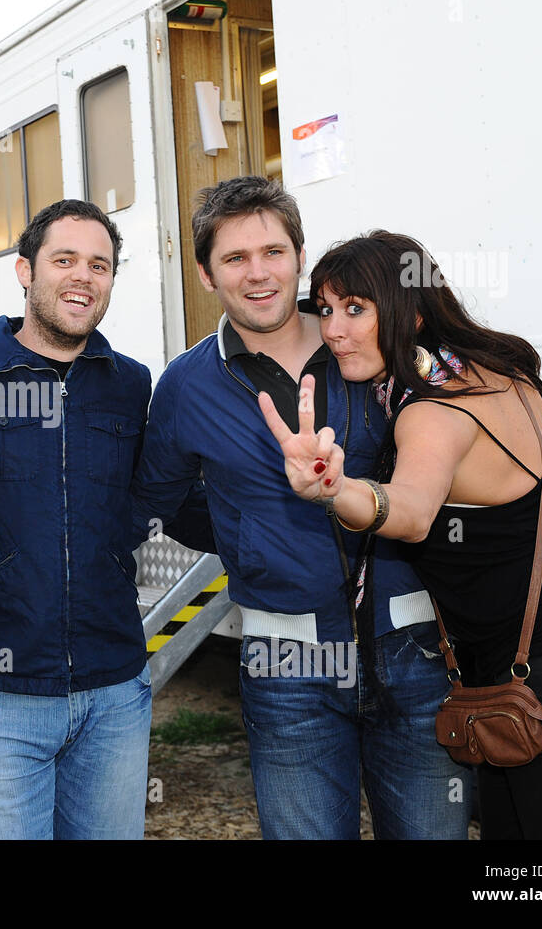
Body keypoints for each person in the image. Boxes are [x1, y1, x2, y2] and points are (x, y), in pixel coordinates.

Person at [261, 230, 542, 839]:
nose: (333, 329)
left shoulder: (433, 411)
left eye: (356, 309)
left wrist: (335, 489)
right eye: (326, 309)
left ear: (411, 311)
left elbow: (410, 510)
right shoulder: (498, 375)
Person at [132, 177, 475, 839]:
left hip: (412, 646)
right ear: (206, 274)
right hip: (286, 662)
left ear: (299, 256)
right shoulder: (185, 386)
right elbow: (162, 502)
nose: (258, 274)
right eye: (234, 259)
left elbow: (472, 440)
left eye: (274, 252)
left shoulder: (372, 343)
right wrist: (252, 532)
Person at [0, 199, 156, 839]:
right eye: (64, 259)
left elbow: (156, 496)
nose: (83, 277)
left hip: (115, 695)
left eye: (100, 265)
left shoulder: (130, 384)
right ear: (24, 270)